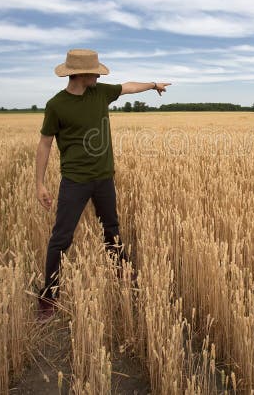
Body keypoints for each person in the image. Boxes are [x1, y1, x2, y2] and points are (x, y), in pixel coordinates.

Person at [35, 48, 170, 320]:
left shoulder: (100, 93)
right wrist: (39, 183)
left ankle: (122, 271)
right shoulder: (56, 105)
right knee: (61, 238)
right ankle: (49, 295)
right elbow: (45, 142)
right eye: (95, 72)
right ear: (81, 74)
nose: (99, 75)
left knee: (111, 228)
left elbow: (128, 87)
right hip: (75, 180)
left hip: (104, 177)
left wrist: (153, 85)